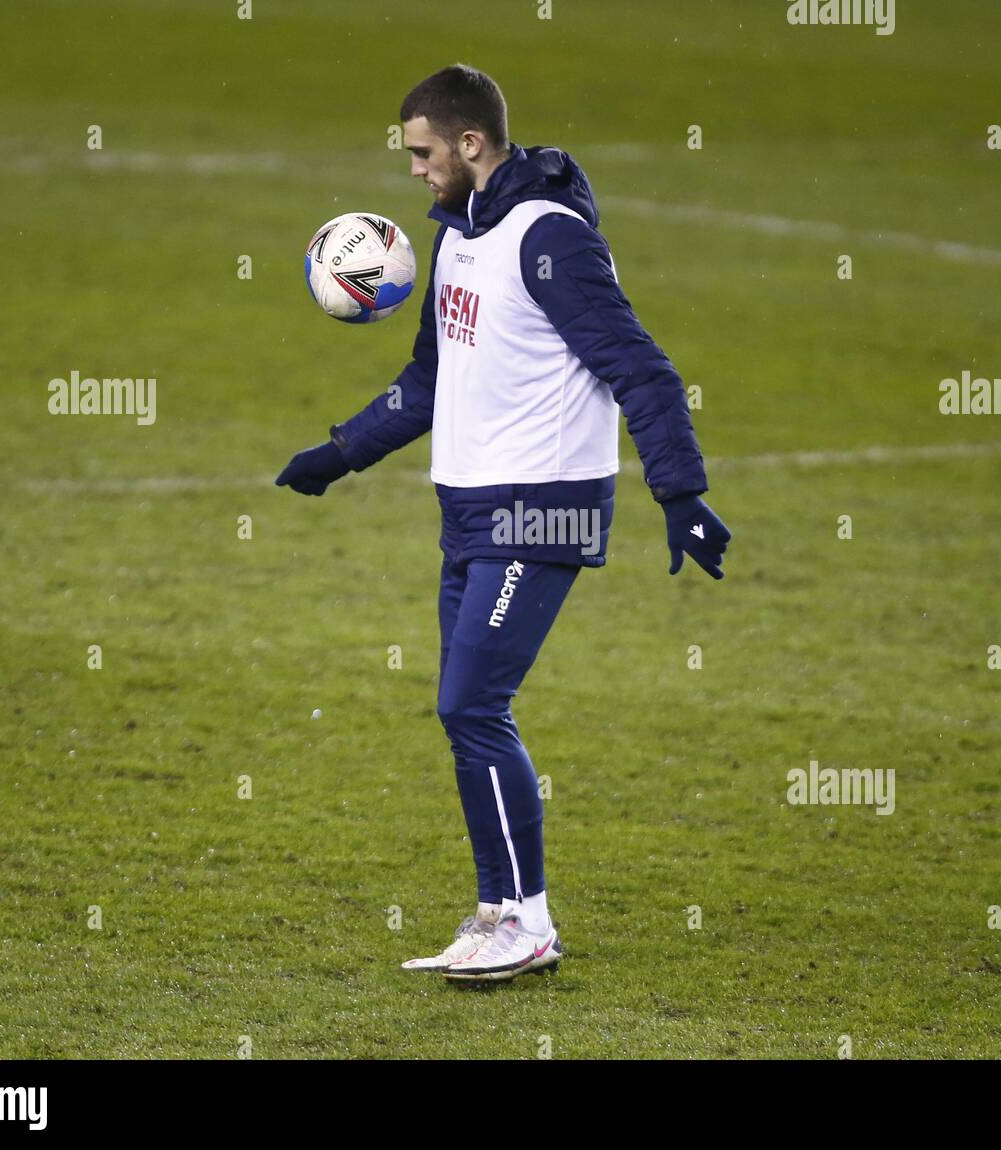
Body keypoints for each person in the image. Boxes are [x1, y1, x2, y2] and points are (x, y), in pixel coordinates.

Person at [276, 64, 731, 982]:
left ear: (470, 144)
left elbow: (640, 366)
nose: (412, 170)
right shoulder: (458, 238)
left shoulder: (547, 238)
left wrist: (680, 497)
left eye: (421, 152)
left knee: (470, 704)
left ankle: (528, 920)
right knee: (468, 715)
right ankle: (498, 914)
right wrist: (339, 454)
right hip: (473, 512)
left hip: (543, 512)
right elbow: (430, 382)